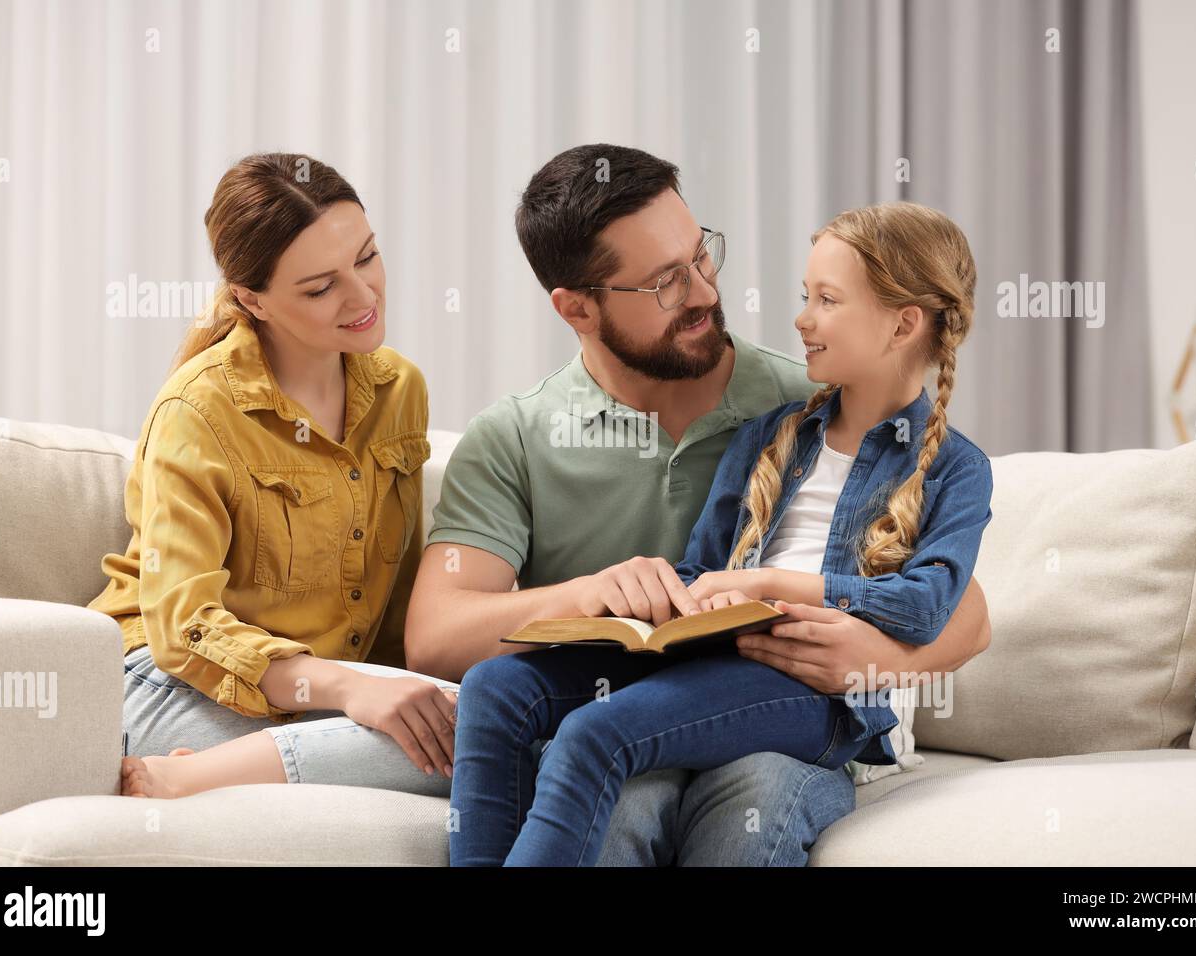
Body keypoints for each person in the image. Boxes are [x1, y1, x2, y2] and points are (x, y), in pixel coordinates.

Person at [410, 145, 993, 866]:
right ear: (576, 307)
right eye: (664, 282)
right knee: (500, 692)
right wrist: (605, 599)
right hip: (681, 671)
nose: (705, 293)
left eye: (700, 258)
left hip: (785, 702)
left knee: (643, 761)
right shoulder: (521, 435)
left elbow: (959, 603)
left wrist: (873, 662)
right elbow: (434, 636)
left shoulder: (801, 393)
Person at [88, 153, 460, 800]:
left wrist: (395, 687)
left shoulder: (400, 390)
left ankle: (216, 774)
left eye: (367, 257)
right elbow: (185, 630)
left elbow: (397, 600)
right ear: (250, 298)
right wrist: (351, 689)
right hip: (165, 683)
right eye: (321, 288)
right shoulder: (197, 410)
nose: (364, 296)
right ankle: (183, 778)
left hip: (320, 688)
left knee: (506, 721)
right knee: (482, 733)